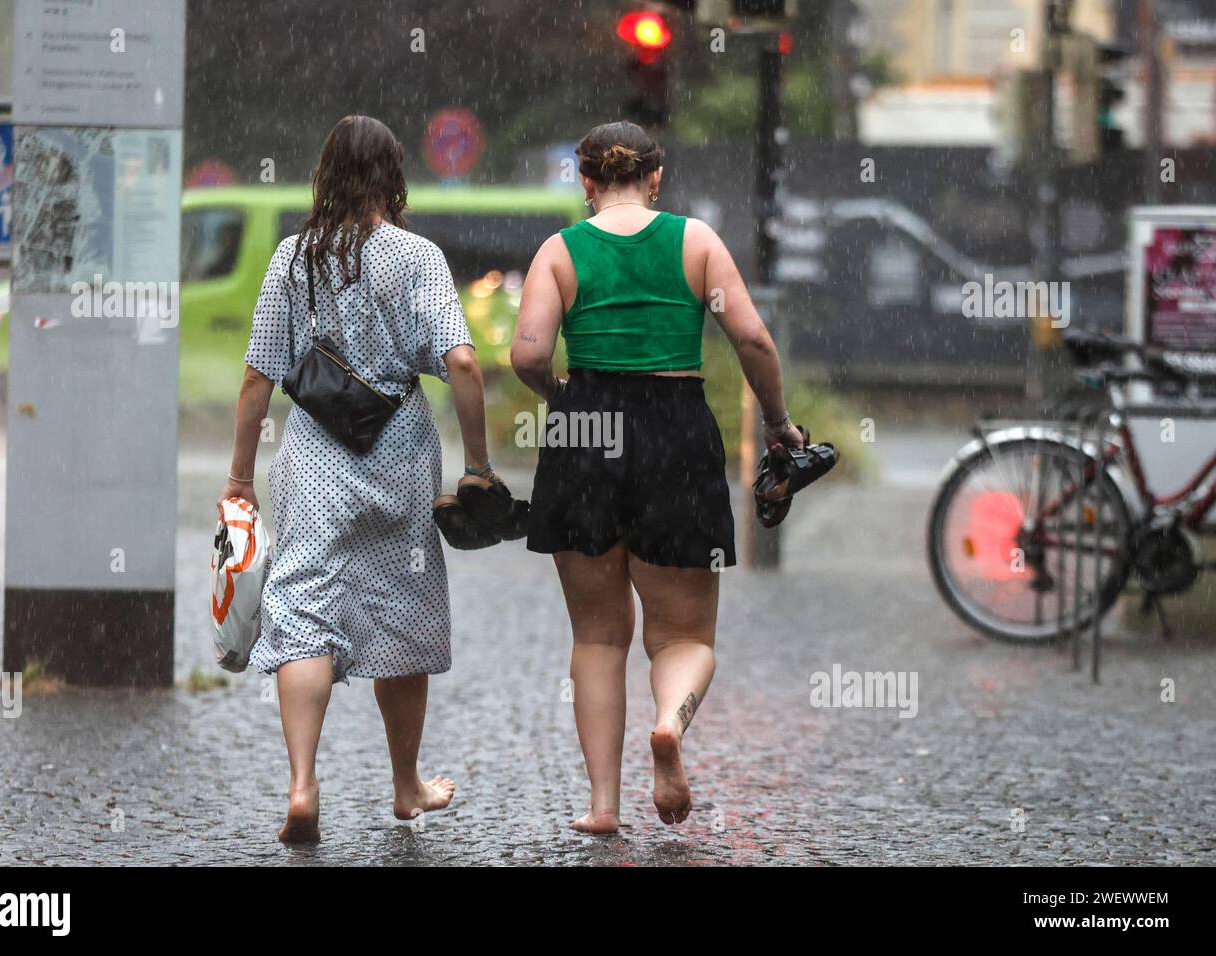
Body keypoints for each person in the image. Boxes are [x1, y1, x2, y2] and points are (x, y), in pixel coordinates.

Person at [511, 121, 804, 833]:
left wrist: (566, 400)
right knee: (683, 636)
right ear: (656, 177)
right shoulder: (695, 242)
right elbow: (753, 339)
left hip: (584, 433)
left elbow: (526, 353)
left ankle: (603, 807)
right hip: (676, 430)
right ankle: (668, 723)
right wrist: (777, 422)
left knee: (598, 638)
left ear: (585, 182)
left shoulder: (561, 251)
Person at [221, 115, 492, 843]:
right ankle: (407, 787)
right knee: (400, 608)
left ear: (324, 174)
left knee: (304, 605)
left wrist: (240, 477)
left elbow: (258, 377)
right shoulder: (418, 256)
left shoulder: (292, 257)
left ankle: (304, 784)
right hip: (399, 452)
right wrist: (478, 466)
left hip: (313, 455)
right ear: (393, 176)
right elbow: (462, 363)